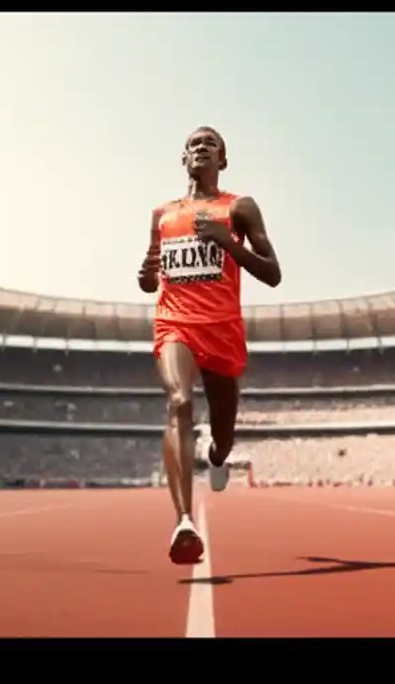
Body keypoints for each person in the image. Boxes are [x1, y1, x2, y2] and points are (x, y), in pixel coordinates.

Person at [137, 125, 282, 565]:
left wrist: (227, 244)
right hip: (174, 324)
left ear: (223, 160)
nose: (201, 148)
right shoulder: (162, 213)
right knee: (179, 401)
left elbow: (273, 272)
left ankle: (218, 456)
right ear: (183, 159)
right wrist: (145, 277)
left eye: (210, 144)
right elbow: (150, 276)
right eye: (193, 144)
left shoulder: (239, 207)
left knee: (222, 430)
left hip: (221, 328)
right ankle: (184, 520)